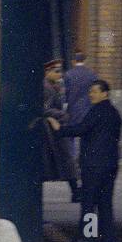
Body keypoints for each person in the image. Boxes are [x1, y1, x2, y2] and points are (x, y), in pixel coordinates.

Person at [51, 80, 122, 242]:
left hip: (93, 165)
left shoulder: (97, 111)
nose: (91, 94)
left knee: (89, 202)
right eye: (90, 91)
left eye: (95, 91)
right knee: (105, 202)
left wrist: (59, 129)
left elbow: (81, 129)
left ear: (105, 93)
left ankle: (87, 238)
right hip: (110, 164)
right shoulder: (115, 113)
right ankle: (109, 240)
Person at [39, 58, 79, 202]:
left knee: (63, 161)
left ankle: (75, 191)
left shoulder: (52, 86)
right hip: (53, 130)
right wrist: (61, 114)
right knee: (66, 159)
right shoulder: (47, 88)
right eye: (56, 72)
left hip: (55, 128)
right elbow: (45, 109)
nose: (59, 75)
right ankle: (75, 191)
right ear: (47, 72)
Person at [62, 51, 98, 171]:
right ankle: (84, 159)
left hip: (73, 109)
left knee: (72, 134)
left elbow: (65, 94)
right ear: (85, 60)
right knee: (86, 134)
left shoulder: (68, 74)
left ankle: (72, 161)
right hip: (88, 108)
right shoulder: (92, 75)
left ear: (73, 61)